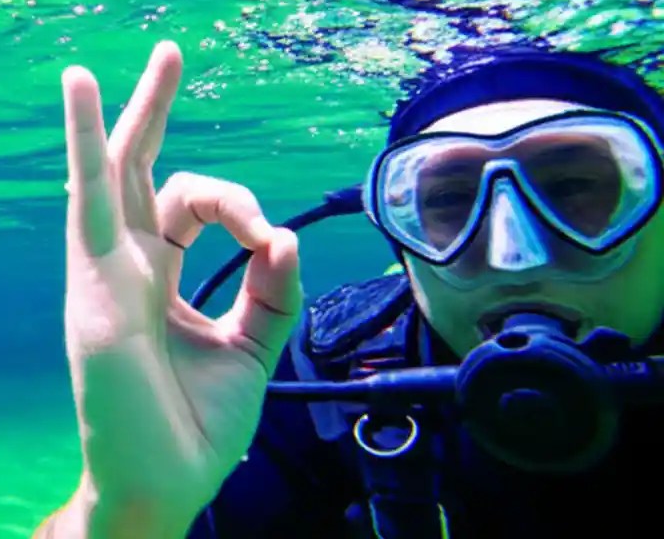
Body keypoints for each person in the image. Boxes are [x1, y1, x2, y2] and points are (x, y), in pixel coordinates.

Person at [35, 39, 664, 538]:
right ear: (401, 241)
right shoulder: (329, 385)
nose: (513, 257)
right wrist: (121, 513)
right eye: (447, 199)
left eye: (576, 188)